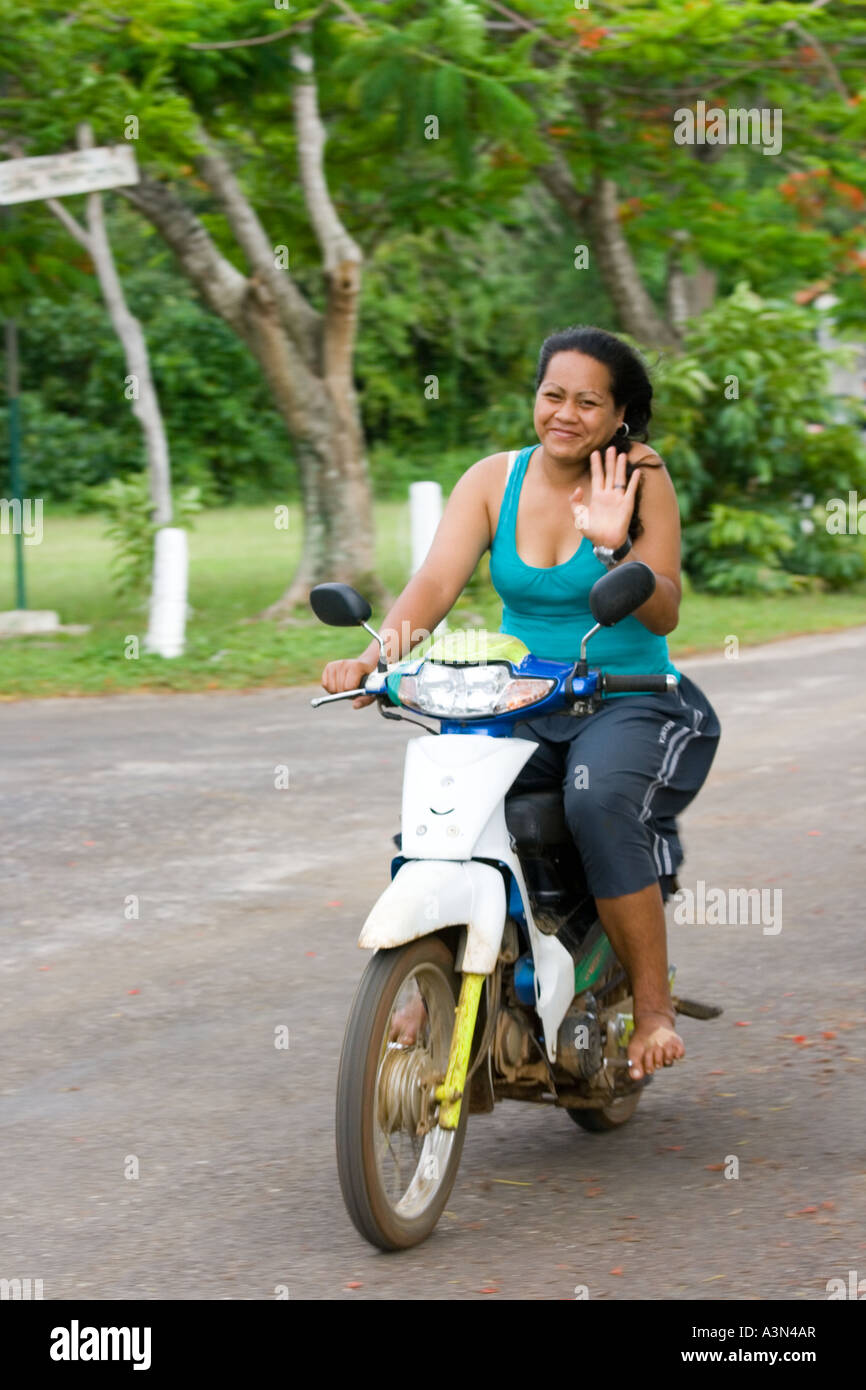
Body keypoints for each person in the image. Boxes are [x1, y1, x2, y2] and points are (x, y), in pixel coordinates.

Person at [320, 325, 721, 1081]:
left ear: (621, 414)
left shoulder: (641, 477)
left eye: (588, 402)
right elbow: (436, 584)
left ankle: (653, 1007)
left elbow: (664, 610)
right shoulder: (492, 480)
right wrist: (374, 658)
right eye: (552, 395)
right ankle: (420, 981)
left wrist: (611, 547)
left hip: (623, 695)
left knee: (597, 802)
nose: (565, 413)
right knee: (446, 804)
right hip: (522, 691)